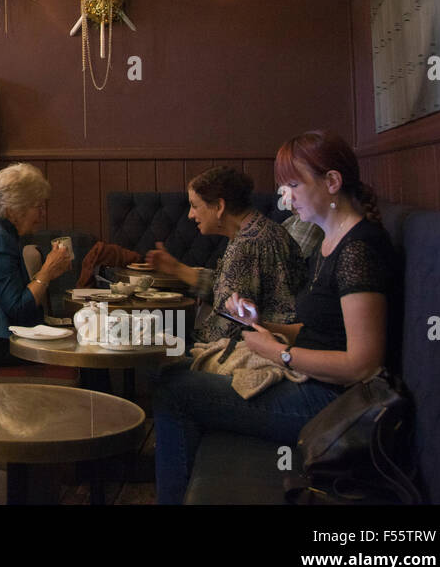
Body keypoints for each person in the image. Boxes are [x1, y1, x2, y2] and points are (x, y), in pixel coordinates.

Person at [151, 131, 396, 503]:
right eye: (283, 187)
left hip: (329, 403)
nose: (285, 198)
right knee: (176, 377)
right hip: (309, 382)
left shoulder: (358, 250)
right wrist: (260, 325)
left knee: (174, 391)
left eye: (293, 185)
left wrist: (278, 353)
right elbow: (317, 330)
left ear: (332, 182)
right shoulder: (330, 243)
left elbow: (363, 365)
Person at [146, 166, 306, 343]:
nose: (190, 215)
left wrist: (185, 347)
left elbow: (227, 326)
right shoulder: (259, 230)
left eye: (194, 206)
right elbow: (230, 291)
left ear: (219, 206)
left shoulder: (248, 244)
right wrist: (176, 269)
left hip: (258, 349)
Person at [0, 163, 72, 366]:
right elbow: (18, 308)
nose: (42, 215)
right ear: (12, 211)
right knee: (82, 350)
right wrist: (45, 272)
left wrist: (50, 273)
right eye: (38, 207)